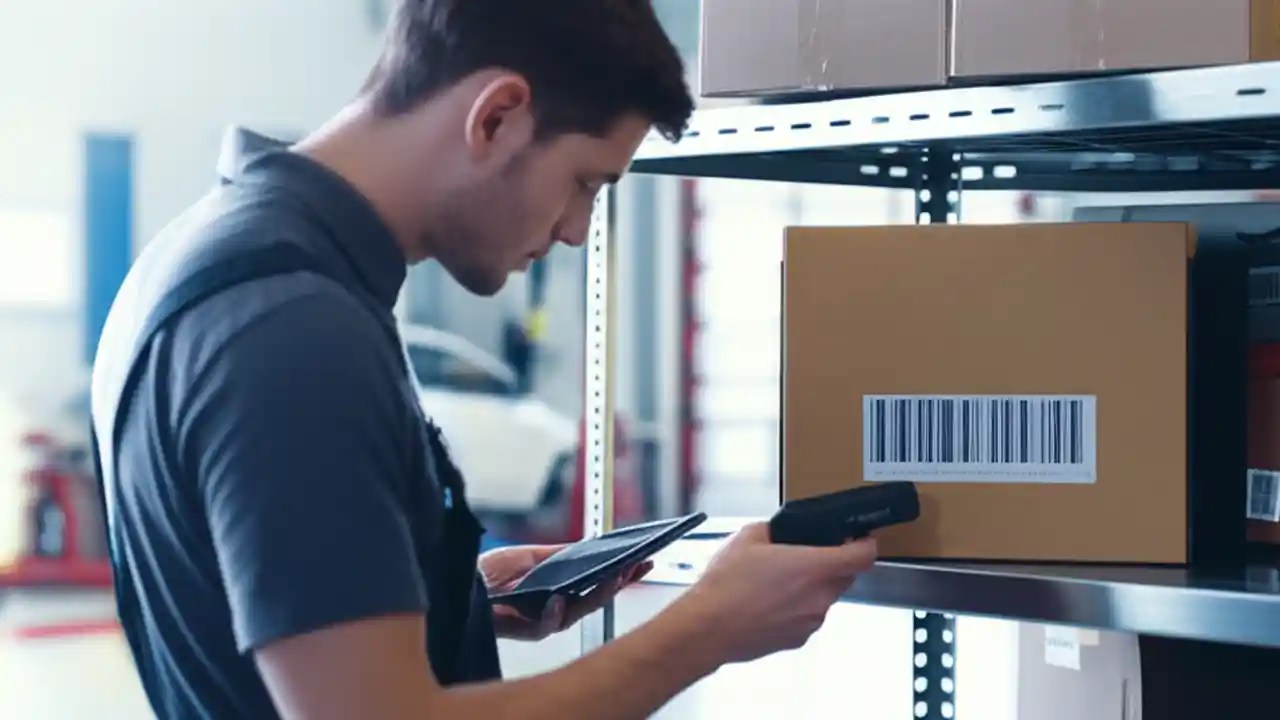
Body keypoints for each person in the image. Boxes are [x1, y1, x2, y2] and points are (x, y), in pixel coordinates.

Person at [89, 1, 879, 718]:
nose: (575, 230)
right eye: (584, 183)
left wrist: (446, 602)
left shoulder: (207, 256)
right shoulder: (296, 332)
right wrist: (708, 631)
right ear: (496, 116)